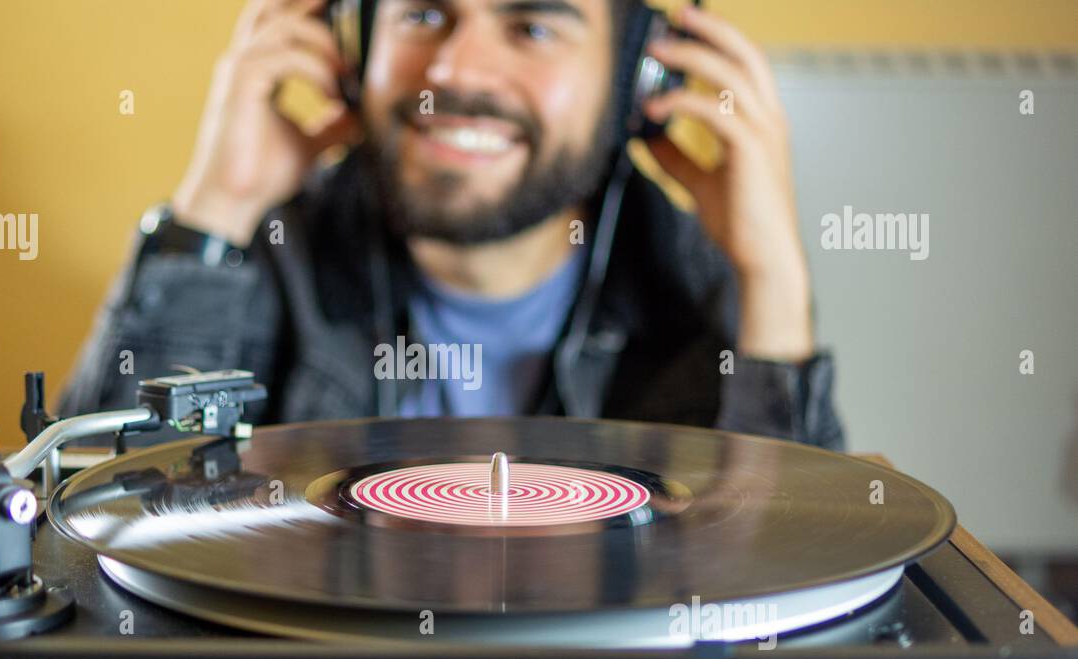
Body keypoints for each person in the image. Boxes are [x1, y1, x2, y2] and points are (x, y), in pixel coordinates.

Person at [59, 0, 843, 449]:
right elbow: (88, 542)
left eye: (532, 26)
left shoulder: (702, 291)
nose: (455, 73)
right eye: (424, 12)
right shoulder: (260, 257)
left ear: (635, 79)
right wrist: (214, 208)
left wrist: (774, 282)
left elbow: (794, 606)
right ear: (353, 46)